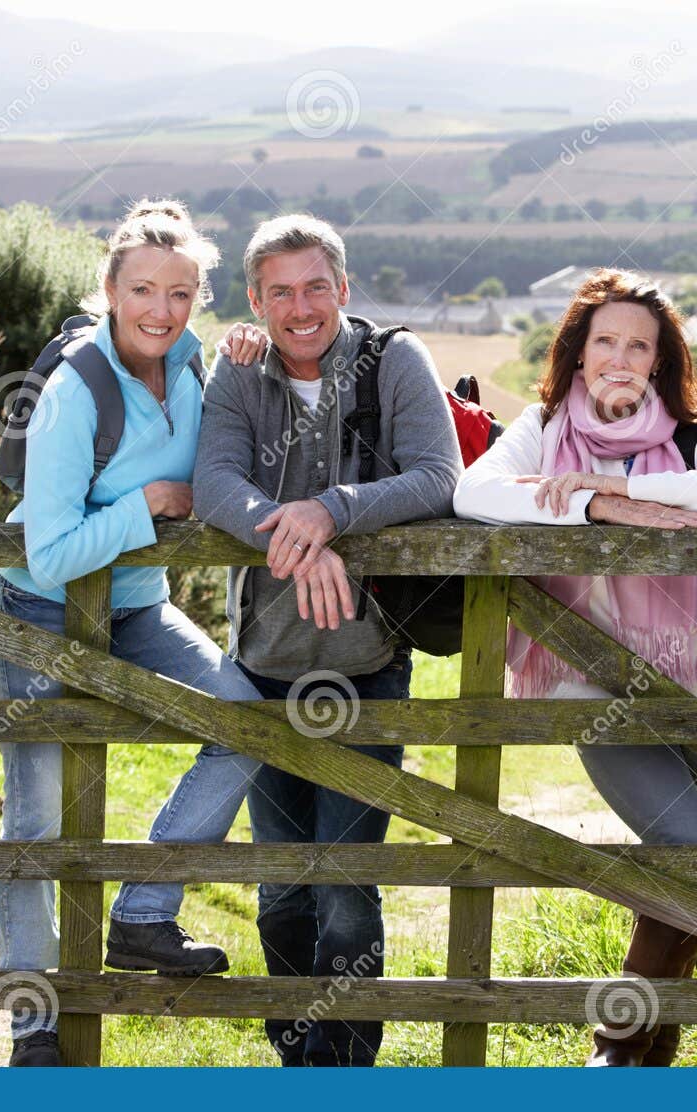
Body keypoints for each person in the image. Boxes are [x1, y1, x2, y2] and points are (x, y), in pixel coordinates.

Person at [452, 268, 697, 1067]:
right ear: (579, 353)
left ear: (660, 361)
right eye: (606, 342)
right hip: (594, 685)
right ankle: (620, 1040)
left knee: (683, 865)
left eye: (641, 344)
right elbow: (474, 493)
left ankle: (647, 1059)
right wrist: (596, 505)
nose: (622, 357)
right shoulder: (540, 425)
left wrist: (619, 478)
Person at [0, 199, 266, 1067]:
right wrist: (143, 506)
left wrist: (244, 360)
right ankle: (35, 1023)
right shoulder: (77, 387)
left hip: (137, 607)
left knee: (243, 723)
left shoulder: (194, 369)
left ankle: (143, 914)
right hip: (36, 610)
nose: (161, 308)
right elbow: (53, 547)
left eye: (181, 292)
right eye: (143, 289)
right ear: (109, 290)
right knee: (36, 819)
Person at [193, 213, 460, 1066]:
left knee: (345, 889)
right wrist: (292, 529)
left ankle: (343, 1074)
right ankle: (295, 1061)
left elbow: (437, 474)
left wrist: (334, 509)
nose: (300, 306)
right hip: (263, 668)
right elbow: (212, 484)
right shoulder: (237, 371)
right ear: (256, 300)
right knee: (280, 891)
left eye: (316, 286)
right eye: (280, 291)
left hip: (367, 666)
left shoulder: (395, 362)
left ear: (343, 288)